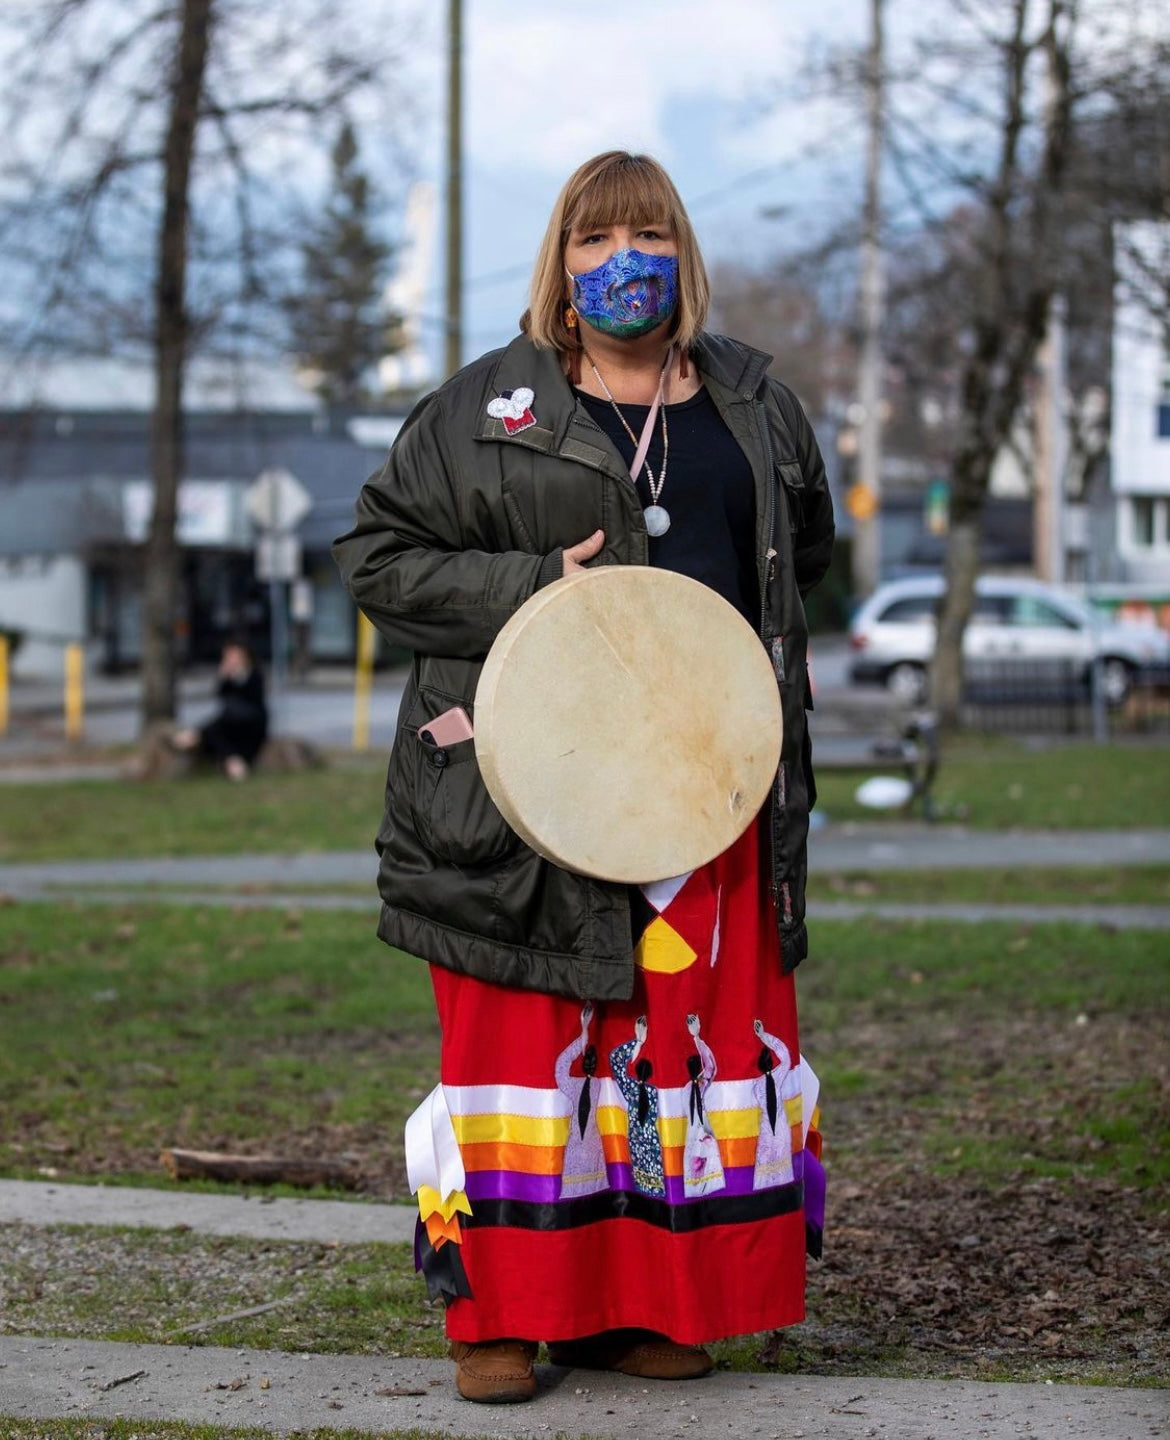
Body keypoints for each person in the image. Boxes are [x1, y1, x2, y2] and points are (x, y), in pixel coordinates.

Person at [333, 150, 834, 1404]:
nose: (625, 260)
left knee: (666, 1064)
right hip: (523, 797)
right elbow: (376, 558)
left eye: (648, 235)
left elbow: (803, 554)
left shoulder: (756, 406)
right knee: (526, 1061)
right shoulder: (483, 408)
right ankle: (497, 1319)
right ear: (560, 261)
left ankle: (635, 1307)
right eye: (597, 238)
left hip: (700, 798)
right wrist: (530, 589)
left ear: (684, 253)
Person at [172, 639, 268, 781]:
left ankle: (196, 736)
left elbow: (250, 703)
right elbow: (222, 698)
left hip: (250, 723)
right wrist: (225, 679)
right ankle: (232, 761)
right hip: (230, 722)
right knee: (216, 731)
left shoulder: (254, 675)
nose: (230, 659)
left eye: (233, 655)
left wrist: (234, 677)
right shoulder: (228, 677)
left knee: (215, 729)